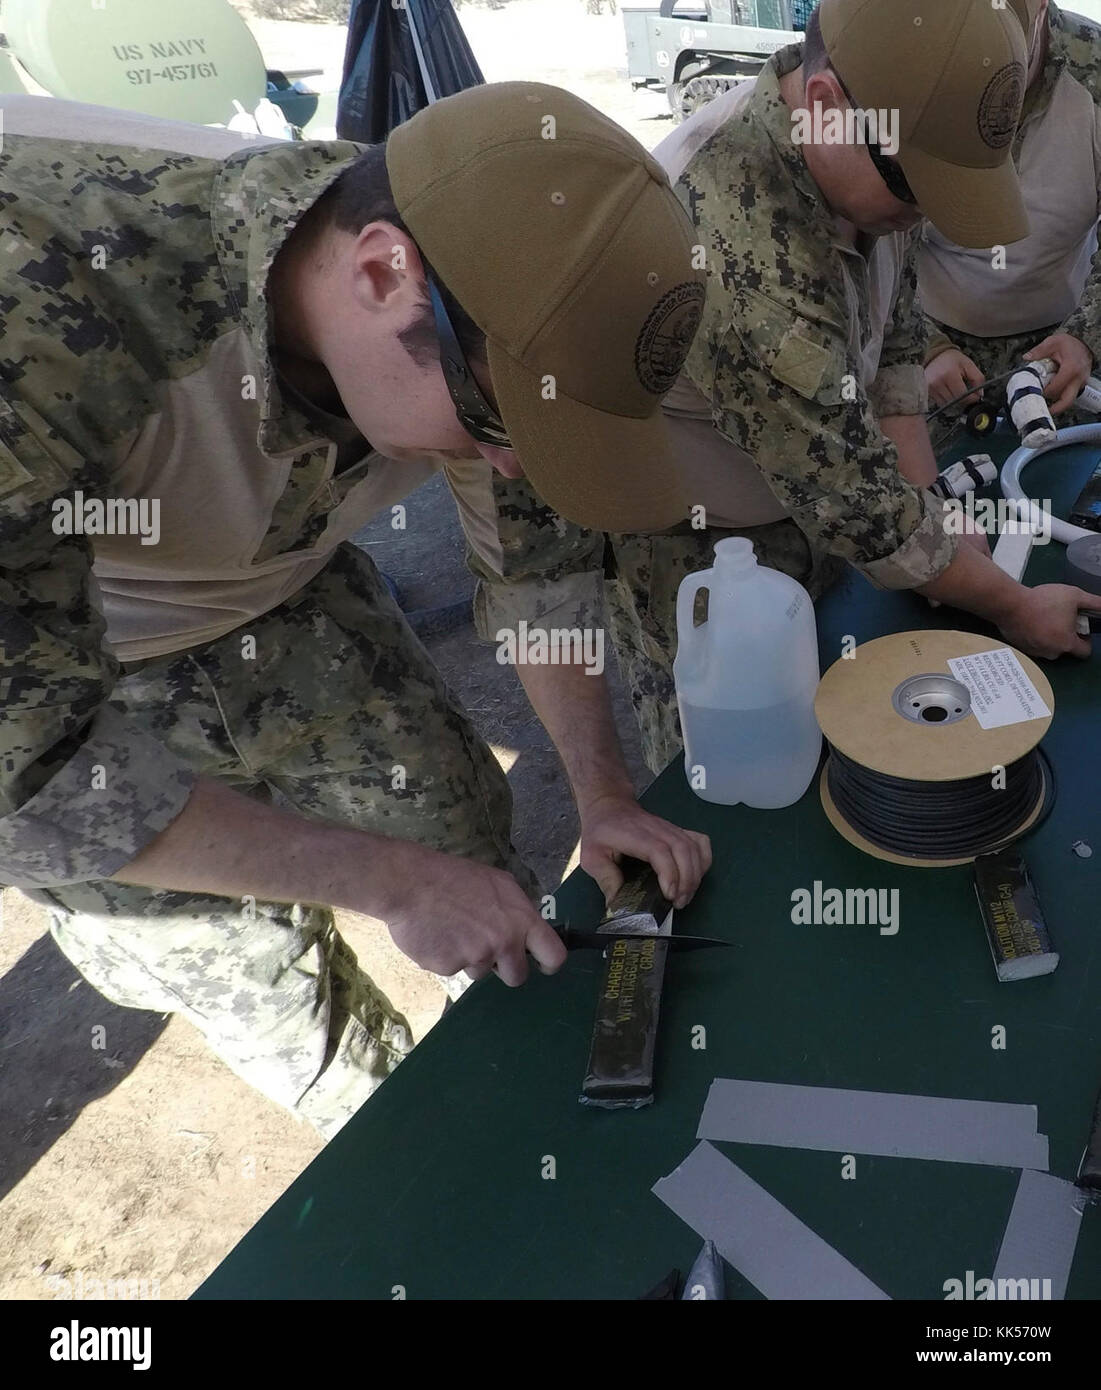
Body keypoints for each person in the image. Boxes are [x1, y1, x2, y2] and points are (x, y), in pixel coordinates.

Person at [0, 82, 711, 1137]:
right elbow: (28, 777)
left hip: (282, 584)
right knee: (250, 973)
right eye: (501, 425)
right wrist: (390, 881)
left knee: (464, 844)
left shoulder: (465, 275)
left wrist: (601, 790)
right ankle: (413, 1152)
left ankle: (524, 1090)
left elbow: (534, 573)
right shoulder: (46, 318)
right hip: (71, 661)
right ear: (382, 273)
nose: (514, 463)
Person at [458, 0, 1101, 781]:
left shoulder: (866, 151)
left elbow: (894, 348)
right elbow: (854, 500)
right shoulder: (740, 238)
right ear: (827, 110)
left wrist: (931, 513)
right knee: (732, 771)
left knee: (853, 719)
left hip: (817, 508)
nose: (925, 211)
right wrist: (1009, 604)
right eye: (917, 185)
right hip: (704, 557)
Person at [922, 1, 1101, 446]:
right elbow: (864, 236)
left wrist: (1086, 336)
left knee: (1047, 497)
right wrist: (921, 346)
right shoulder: (912, 55)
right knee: (935, 496)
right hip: (926, 346)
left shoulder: (1093, 72)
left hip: (1061, 351)